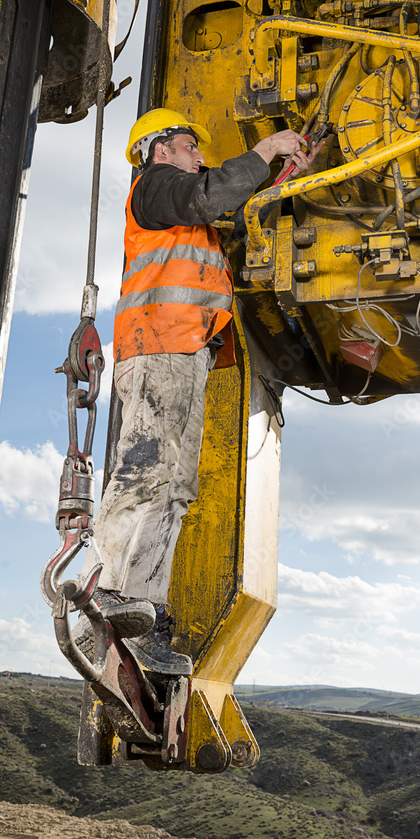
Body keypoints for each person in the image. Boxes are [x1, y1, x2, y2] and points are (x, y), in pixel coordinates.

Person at [74, 109, 325, 676]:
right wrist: (264, 149)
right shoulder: (155, 188)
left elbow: (231, 208)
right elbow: (210, 194)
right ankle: (104, 595)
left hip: (186, 351)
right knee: (145, 469)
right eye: (191, 146)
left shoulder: (190, 216)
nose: (199, 156)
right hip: (159, 342)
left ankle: (145, 613)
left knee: (174, 486)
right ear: (160, 150)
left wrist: (282, 174)